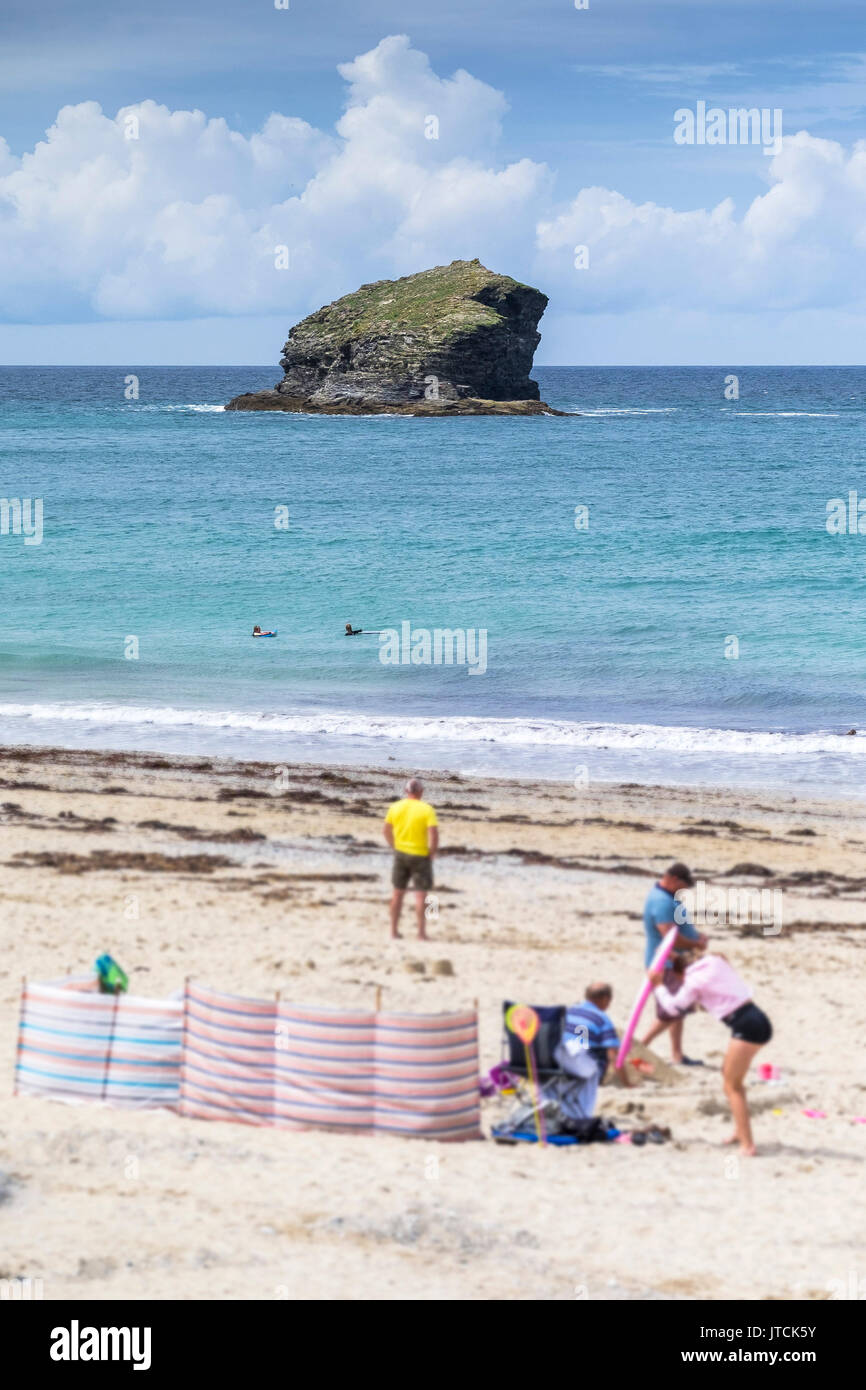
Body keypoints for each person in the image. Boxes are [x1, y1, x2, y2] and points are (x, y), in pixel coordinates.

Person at [650, 945, 772, 1155]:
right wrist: (676, 956)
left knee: (732, 1086)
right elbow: (694, 959)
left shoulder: (693, 982)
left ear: (681, 973)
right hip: (756, 1018)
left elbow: (672, 1009)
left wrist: (659, 986)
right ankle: (739, 1132)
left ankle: (748, 1146)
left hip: (746, 1026)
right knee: (729, 1077)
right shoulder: (716, 961)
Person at [640, 862, 707, 1065]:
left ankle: (677, 1055)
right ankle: (639, 1047)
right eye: (683, 887)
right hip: (666, 964)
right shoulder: (661, 901)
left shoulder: (667, 897)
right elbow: (670, 937)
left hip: (674, 963)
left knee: (678, 1011)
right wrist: (695, 942)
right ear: (674, 880)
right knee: (670, 1012)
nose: (683, 892)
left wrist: (696, 938)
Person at [553, 982, 626, 1119]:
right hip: (582, 1069)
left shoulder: (569, 1012)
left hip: (557, 1065)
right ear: (605, 999)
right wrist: (626, 1083)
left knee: (582, 1043)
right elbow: (613, 1056)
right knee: (600, 1049)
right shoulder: (602, 1019)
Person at [383, 777, 439, 940]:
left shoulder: (395, 807)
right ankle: (421, 933)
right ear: (421, 792)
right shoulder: (427, 809)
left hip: (401, 854)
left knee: (397, 893)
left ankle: (393, 931)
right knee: (421, 895)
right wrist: (432, 852)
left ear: (406, 791)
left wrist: (394, 846)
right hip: (421, 855)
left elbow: (386, 831)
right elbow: (433, 835)